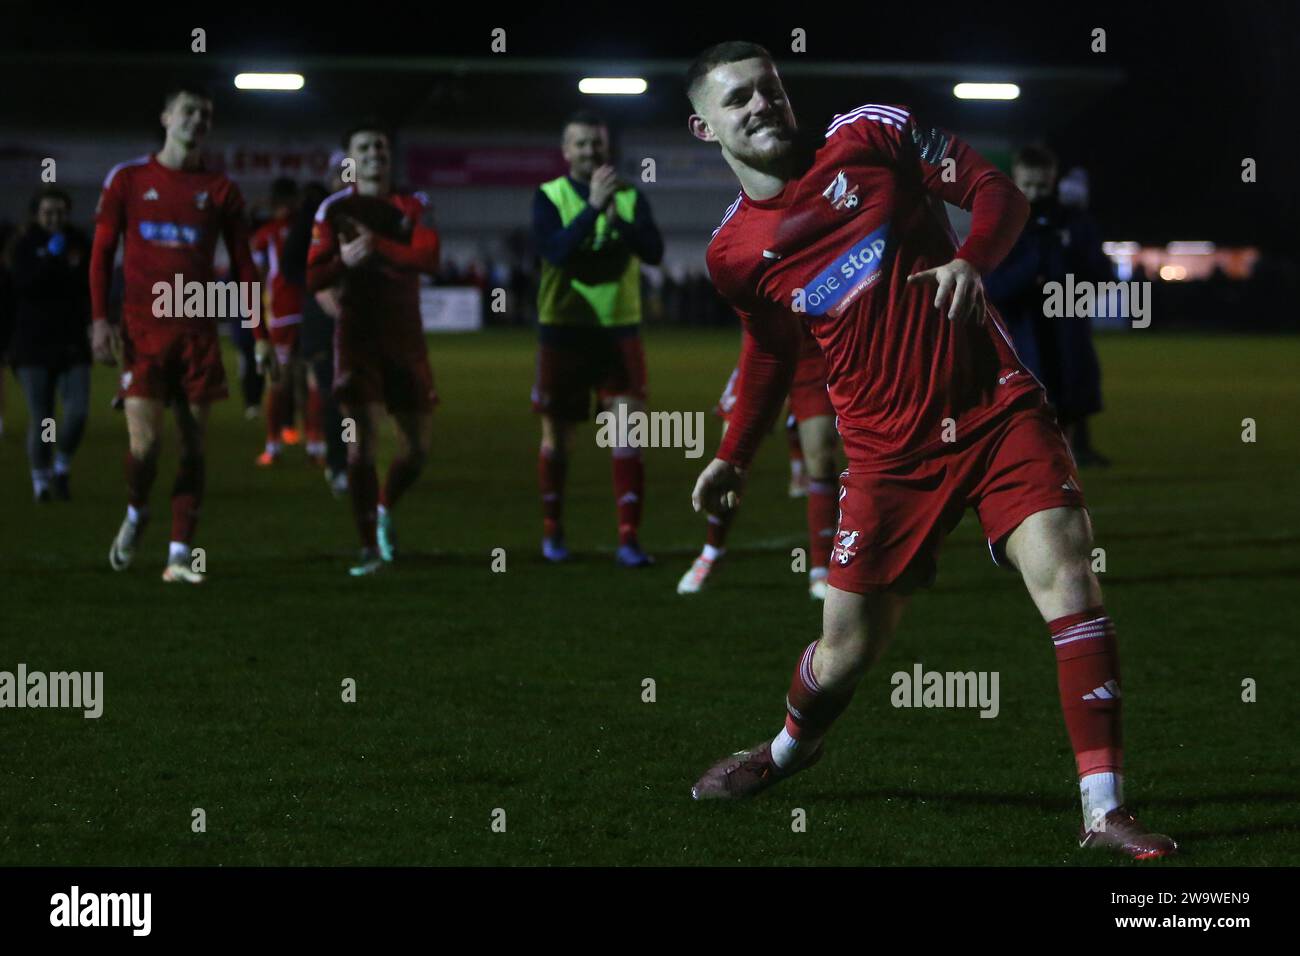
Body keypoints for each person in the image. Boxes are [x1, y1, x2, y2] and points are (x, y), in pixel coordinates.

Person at [682, 42, 1175, 859]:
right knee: (844, 653)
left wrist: (969, 263)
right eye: (738, 99)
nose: (762, 104)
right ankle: (782, 753)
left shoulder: (871, 134)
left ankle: (1104, 810)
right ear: (706, 128)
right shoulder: (733, 254)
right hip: (884, 459)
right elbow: (772, 353)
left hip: (994, 412)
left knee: (1070, 575)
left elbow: (995, 192)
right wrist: (733, 456)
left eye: (769, 87)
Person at [90, 83, 267, 583]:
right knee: (146, 449)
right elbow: (102, 255)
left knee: (193, 447)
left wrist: (258, 332)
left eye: (206, 115)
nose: (198, 120)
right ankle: (137, 509)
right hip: (142, 332)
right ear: (166, 116)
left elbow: (245, 266)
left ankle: (178, 555)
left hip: (198, 333)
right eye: (188, 111)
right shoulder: (127, 180)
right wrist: (99, 320)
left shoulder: (221, 190)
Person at [306, 120, 441, 576]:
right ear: (349, 157)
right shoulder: (333, 209)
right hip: (357, 337)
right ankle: (367, 547)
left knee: (418, 450)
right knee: (361, 447)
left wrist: (377, 245)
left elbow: (428, 257)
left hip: (406, 338)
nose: (374, 154)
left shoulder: (414, 204)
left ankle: (384, 508)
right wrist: (342, 259)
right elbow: (312, 276)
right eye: (363, 147)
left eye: (381, 146)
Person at [531, 110, 664, 566]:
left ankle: (629, 539)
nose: (590, 151)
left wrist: (613, 214)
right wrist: (591, 208)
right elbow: (556, 253)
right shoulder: (548, 197)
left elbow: (654, 252)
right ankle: (553, 530)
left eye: (597, 144)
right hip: (564, 331)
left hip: (619, 329)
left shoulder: (629, 196)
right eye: (581, 144)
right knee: (559, 439)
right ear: (566, 151)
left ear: (608, 149)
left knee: (628, 435)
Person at [678, 325, 840, 598]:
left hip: (812, 353)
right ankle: (712, 552)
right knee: (730, 458)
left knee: (822, 459)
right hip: (765, 348)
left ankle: (821, 570)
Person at [986, 146, 1111, 466]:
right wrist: (1031, 276)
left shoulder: (1075, 224)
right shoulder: (1001, 221)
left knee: (1069, 394)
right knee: (1029, 404)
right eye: (1027, 185)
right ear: (1016, 179)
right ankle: (1033, 464)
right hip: (1023, 330)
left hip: (1065, 325)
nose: (1034, 193)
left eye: (1041, 186)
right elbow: (992, 285)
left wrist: (1060, 281)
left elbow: (1101, 275)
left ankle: (1067, 460)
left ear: (1053, 180)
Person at [6, 188, 92, 501]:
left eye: (60, 212)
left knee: (78, 412)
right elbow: (23, 285)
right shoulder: (24, 245)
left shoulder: (79, 242)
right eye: (48, 212)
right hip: (33, 345)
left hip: (71, 343)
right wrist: (51, 259)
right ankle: (40, 480)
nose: (54, 218)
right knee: (44, 419)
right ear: (37, 214)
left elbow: (90, 284)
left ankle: (62, 464)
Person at [251, 176, 325, 466]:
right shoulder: (311, 228)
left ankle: (273, 446)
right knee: (313, 380)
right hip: (311, 308)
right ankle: (316, 446)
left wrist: (256, 314)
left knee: (278, 382)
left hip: (281, 314)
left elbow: (255, 277)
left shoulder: (265, 234)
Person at [283, 171, 349, 495]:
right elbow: (290, 264)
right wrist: (318, 287)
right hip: (323, 320)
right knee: (333, 394)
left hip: (367, 318)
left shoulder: (375, 208)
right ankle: (338, 464)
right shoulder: (317, 213)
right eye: (340, 172)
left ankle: (356, 461)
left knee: (364, 398)